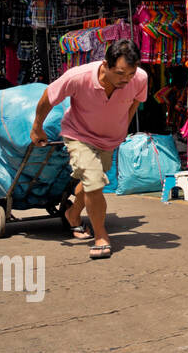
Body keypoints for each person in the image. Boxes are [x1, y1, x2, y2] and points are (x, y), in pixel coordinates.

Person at [32, 39, 148, 260]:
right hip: (79, 134)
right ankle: (101, 235)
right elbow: (49, 97)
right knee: (94, 182)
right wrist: (37, 127)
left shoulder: (140, 78)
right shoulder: (78, 77)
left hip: (110, 139)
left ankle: (72, 214)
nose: (126, 79)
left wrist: (123, 126)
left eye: (130, 74)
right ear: (105, 64)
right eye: (121, 73)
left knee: (91, 183)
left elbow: (135, 102)